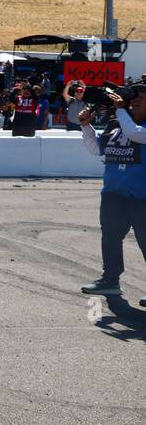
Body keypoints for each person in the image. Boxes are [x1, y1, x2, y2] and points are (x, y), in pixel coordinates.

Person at [79, 85, 146, 305]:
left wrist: (120, 110)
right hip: (113, 194)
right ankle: (111, 281)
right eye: (134, 97)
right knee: (110, 239)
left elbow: (135, 134)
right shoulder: (117, 123)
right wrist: (86, 126)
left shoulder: (128, 122)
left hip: (142, 196)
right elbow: (96, 149)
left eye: (143, 98)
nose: (136, 100)